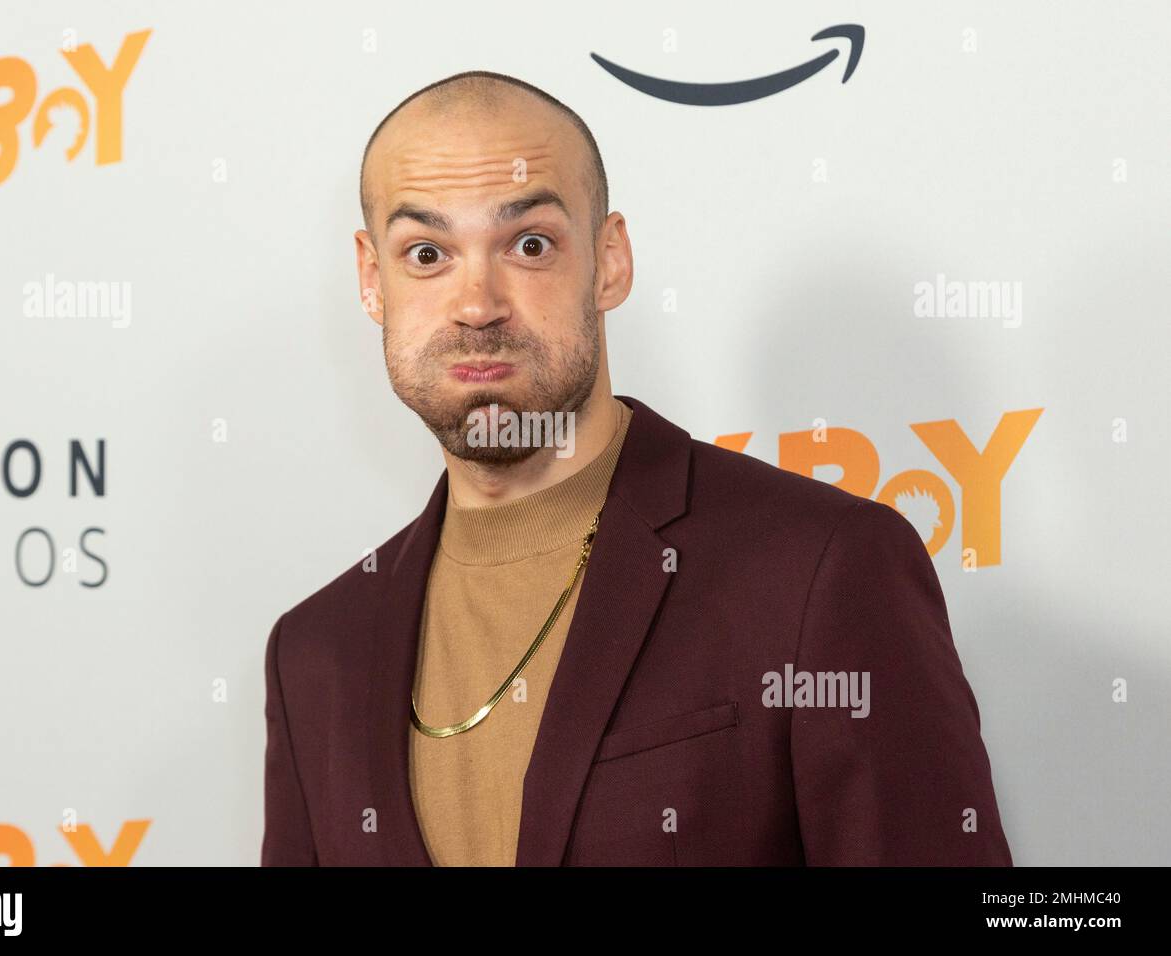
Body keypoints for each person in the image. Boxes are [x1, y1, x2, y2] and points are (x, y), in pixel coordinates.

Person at [261, 70, 1012, 866]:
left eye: (529, 245)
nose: (477, 303)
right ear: (373, 281)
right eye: (426, 253)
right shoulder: (315, 655)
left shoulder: (819, 571)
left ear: (610, 261)